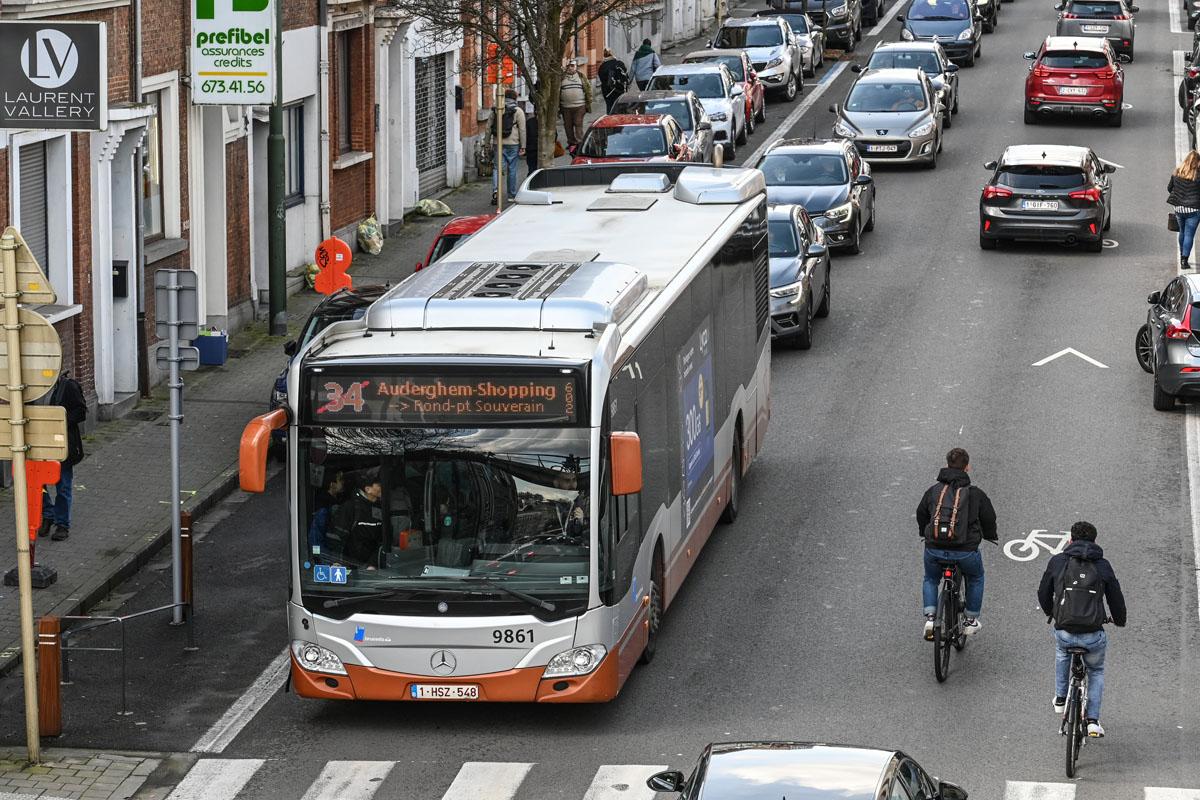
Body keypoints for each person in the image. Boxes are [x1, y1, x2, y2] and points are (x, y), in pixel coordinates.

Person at [1037, 521, 1126, 739]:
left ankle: (1060, 698)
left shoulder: (1059, 561)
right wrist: (1119, 620)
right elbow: (1115, 596)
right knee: (1095, 671)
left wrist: (1052, 612)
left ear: (1070, 540)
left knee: (1062, 651)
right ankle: (1093, 722)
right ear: (1094, 541)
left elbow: (1043, 592)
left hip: (1065, 630)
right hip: (1093, 635)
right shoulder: (1102, 565)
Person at [915, 447, 997, 639]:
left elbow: (921, 514)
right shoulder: (974, 494)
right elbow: (988, 517)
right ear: (967, 467)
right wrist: (990, 535)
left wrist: (925, 533)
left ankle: (930, 616)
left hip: (934, 548)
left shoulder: (933, 491)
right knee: (976, 577)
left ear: (946, 465)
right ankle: (970, 619)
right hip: (964, 551)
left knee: (931, 579)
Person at [38, 371, 86, 542]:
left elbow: (81, 411)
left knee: (63, 485)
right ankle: (48, 514)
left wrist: (60, 422)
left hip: (61, 445)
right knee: (38, 484)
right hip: (39, 444)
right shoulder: (34, 389)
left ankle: (62, 524)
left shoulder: (68, 387)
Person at [334, 474, 384, 567]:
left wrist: (372, 564)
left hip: (371, 567)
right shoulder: (350, 507)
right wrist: (336, 562)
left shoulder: (380, 508)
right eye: (379, 485)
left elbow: (381, 539)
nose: (382, 488)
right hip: (349, 564)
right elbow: (338, 537)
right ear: (368, 489)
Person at [489, 88, 526, 203]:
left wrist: (486, 144)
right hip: (512, 143)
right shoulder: (518, 111)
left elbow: (487, 128)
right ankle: (511, 195)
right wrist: (523, 146)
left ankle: (496, 191)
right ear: (515, 98)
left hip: (497, 142)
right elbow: (522, 130)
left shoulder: (495, 110)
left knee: (497, 168)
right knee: (512, 169)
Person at [1168, 150, 1200, 269]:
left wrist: (1180, 196)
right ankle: (1184, 260)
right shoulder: (1198, 175)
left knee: (1182, 232)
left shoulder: (1177, 172)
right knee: (1189, 234)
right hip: (1194, 209)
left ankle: (1182, 255)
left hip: (1179, 208)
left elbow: (1169, 188)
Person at [307, 470, 345, 557]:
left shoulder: (339, 499)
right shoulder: (323, 508)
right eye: (340, 480)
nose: (343, 482)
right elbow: (316, 538)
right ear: (332, 484)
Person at [559, 59, 593, 150]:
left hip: (579, 106)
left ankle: (579, 143)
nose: (570, 68)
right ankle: (571, 142)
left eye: (572, 66)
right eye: (569, 66)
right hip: (565, 107)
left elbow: (588, 89)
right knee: (568, 126)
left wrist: (588, 103)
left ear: (576, 67)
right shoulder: (561, 77)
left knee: (578, 123)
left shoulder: (581, 76)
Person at [598, 49, 630, 113]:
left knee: (610, 107)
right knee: (621, 108)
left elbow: (602, 80)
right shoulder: (619, 63)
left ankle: (611, 119)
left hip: (607, 92)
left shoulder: (602, 66)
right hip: (620, 90)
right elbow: (626, 77)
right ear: (613, 54)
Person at [523, 98, 539, 175]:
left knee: (532, 169)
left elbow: (525, 135)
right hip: (542, 149)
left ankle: (531, 183)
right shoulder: (547, 123)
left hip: (531, 149)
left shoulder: (529, 122)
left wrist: (524, 147)